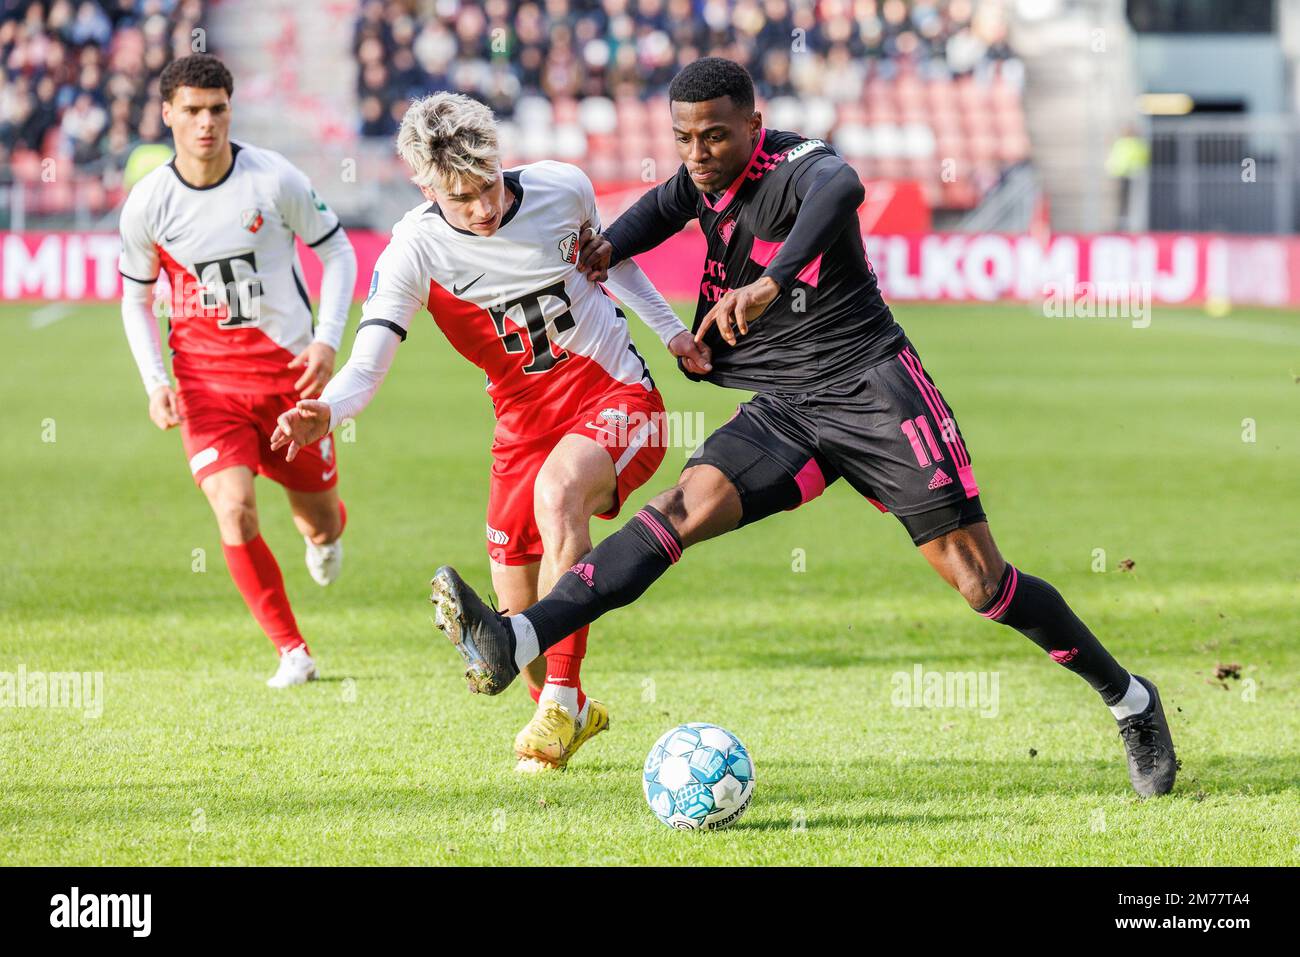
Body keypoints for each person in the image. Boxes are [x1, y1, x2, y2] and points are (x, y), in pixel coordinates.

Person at [425, 57, 1177, 798]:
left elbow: (842, 189)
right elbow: (663, 205)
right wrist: (611, 246)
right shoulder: (699, 174)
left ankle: (1129, 699)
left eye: (714, 138)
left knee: (981, 582)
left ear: (755, 125)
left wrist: (771, 280)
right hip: (787, 407)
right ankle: (518, 638)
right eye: (684, 138)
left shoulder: (797, 165)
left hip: (875, 392)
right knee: (675, 514)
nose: (697, 155)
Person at [270, 92, 709, 772]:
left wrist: (674, 333)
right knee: (515, 618)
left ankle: (560, 698)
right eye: (461, 195)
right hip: (519, 430)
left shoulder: (562, 187)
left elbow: (611, 259)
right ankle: (568, 707)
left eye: (489, 184)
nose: (483, 206)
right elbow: (370, 356)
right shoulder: (415, 249)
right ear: (425, 186)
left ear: (504, 159)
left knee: (560, 493)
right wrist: (326, 411)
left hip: (617, 396)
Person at [118, 54, 357, 688]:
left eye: (217, 109)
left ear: (231, 110)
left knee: (321, 519)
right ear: (168, 114)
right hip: (207, 387)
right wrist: (155, 381)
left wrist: (328, 342)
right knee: (234, 510)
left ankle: (325, 537)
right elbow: (135, 299)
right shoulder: (149, 204)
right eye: (192, 111)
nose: (206, 123)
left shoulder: (272, 179)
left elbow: (337, 251)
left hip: (292, 382)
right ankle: (292, 650)